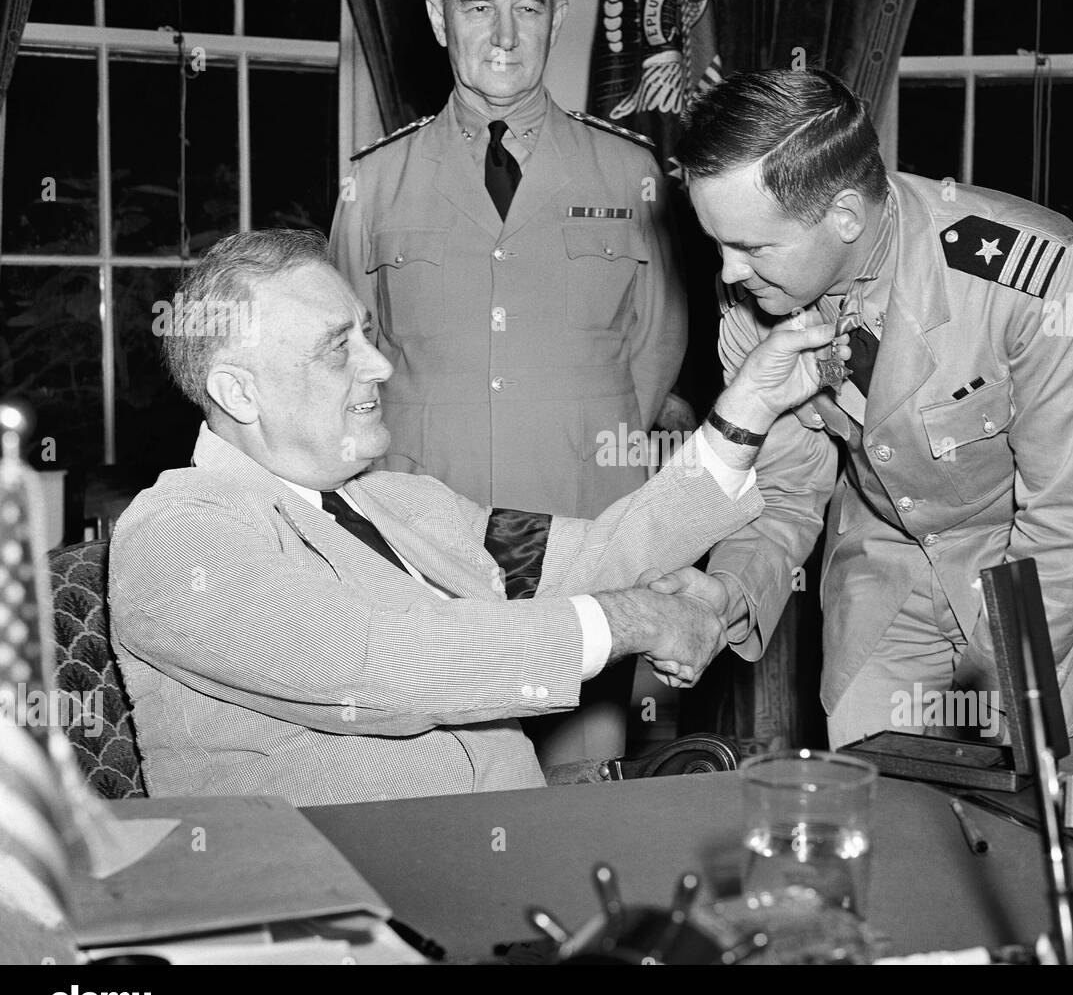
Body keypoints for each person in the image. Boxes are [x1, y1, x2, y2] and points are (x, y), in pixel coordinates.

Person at [108, 229, 845, 807]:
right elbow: (378, 666)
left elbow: (595, 559)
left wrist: (746, 409)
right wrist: (633, 621)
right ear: (238, 393)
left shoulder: (400, 501)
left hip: (515, 865)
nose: (382, 367)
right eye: (339, 350)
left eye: (368, 333)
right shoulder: (177, 538)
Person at [653, 68, 1073, 747]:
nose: (726, 274)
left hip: (1050, 561)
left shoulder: (1032, 275)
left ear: (844, 214)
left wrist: (992, 691)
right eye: (716, 243)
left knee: (1011, 798)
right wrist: (726, 590)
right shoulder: (755, 300)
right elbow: (786, 491)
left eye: (751, 246)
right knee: (876, 794)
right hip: (892, 553)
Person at [330, 0, 688, 768]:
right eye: (475, 5)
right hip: (426, 554)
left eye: (527, 5)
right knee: (441, 795)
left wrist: (574, 446)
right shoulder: (373, 184)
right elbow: (348, 363)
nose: (502, 34)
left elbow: (656, 343)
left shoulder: (631, 173)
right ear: (436, 17)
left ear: (558, 17)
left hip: (583, 543)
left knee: (579, 793)